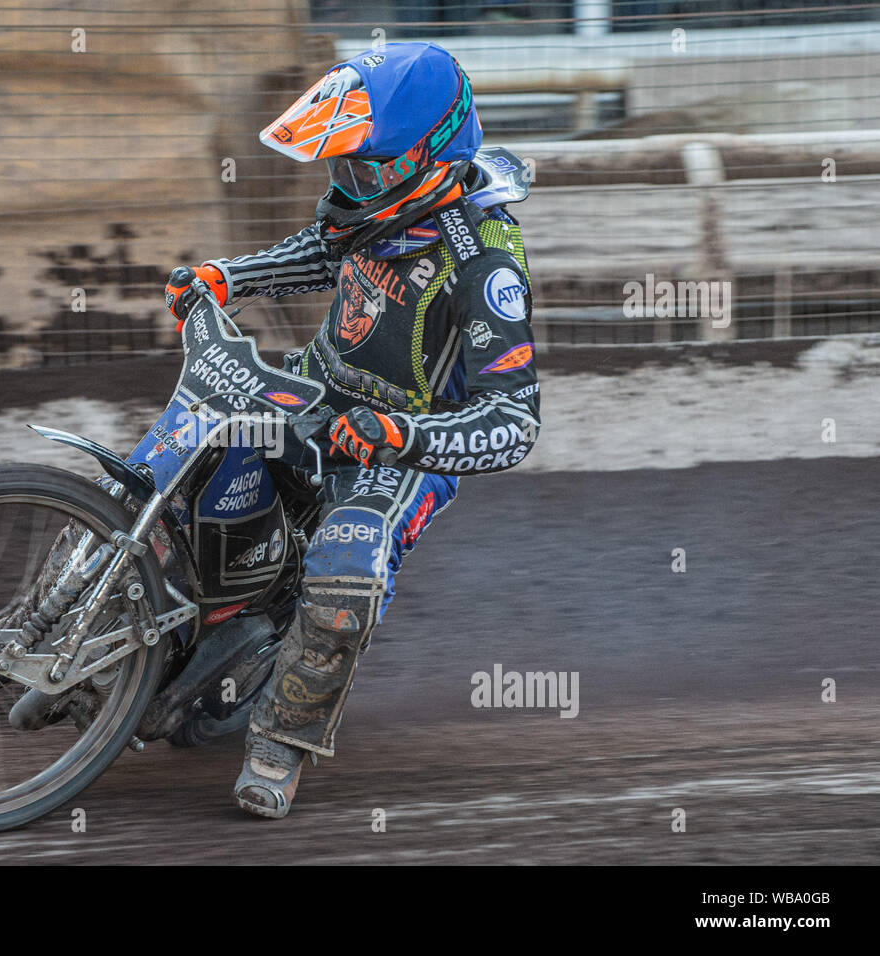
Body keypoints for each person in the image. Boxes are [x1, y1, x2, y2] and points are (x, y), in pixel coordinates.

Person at [164, 41, 542, 819]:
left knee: (346, 568)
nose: (347, 185)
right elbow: (325, 249)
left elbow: (514, 423)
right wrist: (230, 277)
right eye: (341, 168)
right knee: (194, 466)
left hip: (403, 443)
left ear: (429, 158)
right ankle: (161, 628)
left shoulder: (484, 264)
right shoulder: (382, 199)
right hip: (318, 387)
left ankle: (277, 744)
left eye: (364, 171)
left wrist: (401, 436)